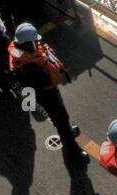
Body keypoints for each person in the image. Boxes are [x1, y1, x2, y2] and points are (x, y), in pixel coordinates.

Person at [8, 22, 87, 164]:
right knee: (61, 120)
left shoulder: (20, 52)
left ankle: (67, 131)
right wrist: (51, 69)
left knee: (62, 120)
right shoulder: (30, 67)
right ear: (27, 43)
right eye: (34, 40)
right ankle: (74, 153)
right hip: (47, 94)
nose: (37, 42)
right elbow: (42, 83)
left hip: (44, 91)